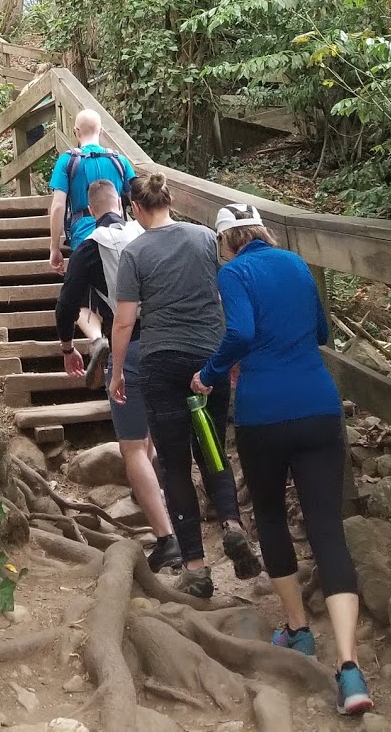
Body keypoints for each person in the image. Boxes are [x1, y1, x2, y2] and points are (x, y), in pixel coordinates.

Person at [192, 202, 373, 717]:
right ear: (261, 231)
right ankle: (349, 667)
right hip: (318, 406)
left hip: (264, 415)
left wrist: (210, 372)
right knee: (327, 529)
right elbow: (321, 333)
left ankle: (297, 631)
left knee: (270, 516)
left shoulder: (235, 272)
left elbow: (241, 331)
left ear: (226, 241)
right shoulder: (295, 264)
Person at [109, 172, 261, 598]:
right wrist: (230, 355)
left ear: (135, 209)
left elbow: (124, 319)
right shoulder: (203, 239)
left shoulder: (135, 251)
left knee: (174, 464)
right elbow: (227, 292)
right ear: (170, 201)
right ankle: (232, 523)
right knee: (212, 446)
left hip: (160, 362)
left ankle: (194, 565)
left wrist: (119, 371)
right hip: (208, 357)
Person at [55, 178, 182, 573]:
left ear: (91, 211)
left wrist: (66, 347)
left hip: (130, 346)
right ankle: (175, 511)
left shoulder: (91, 244)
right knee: (152, 439)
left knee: (131, 447)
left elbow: (66, 305)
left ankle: (166, 539)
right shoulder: (150, 232)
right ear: (125, 205)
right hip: (175, 341)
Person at [49, 110, 135, 384]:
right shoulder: (120, 160)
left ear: (75, 132)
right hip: (124, 238)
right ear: (101, 131)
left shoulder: (68, 161)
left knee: (83, 299)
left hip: (86, 238)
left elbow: (58, 205)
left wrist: (54, 246)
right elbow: (139, 196)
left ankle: (97, 340)